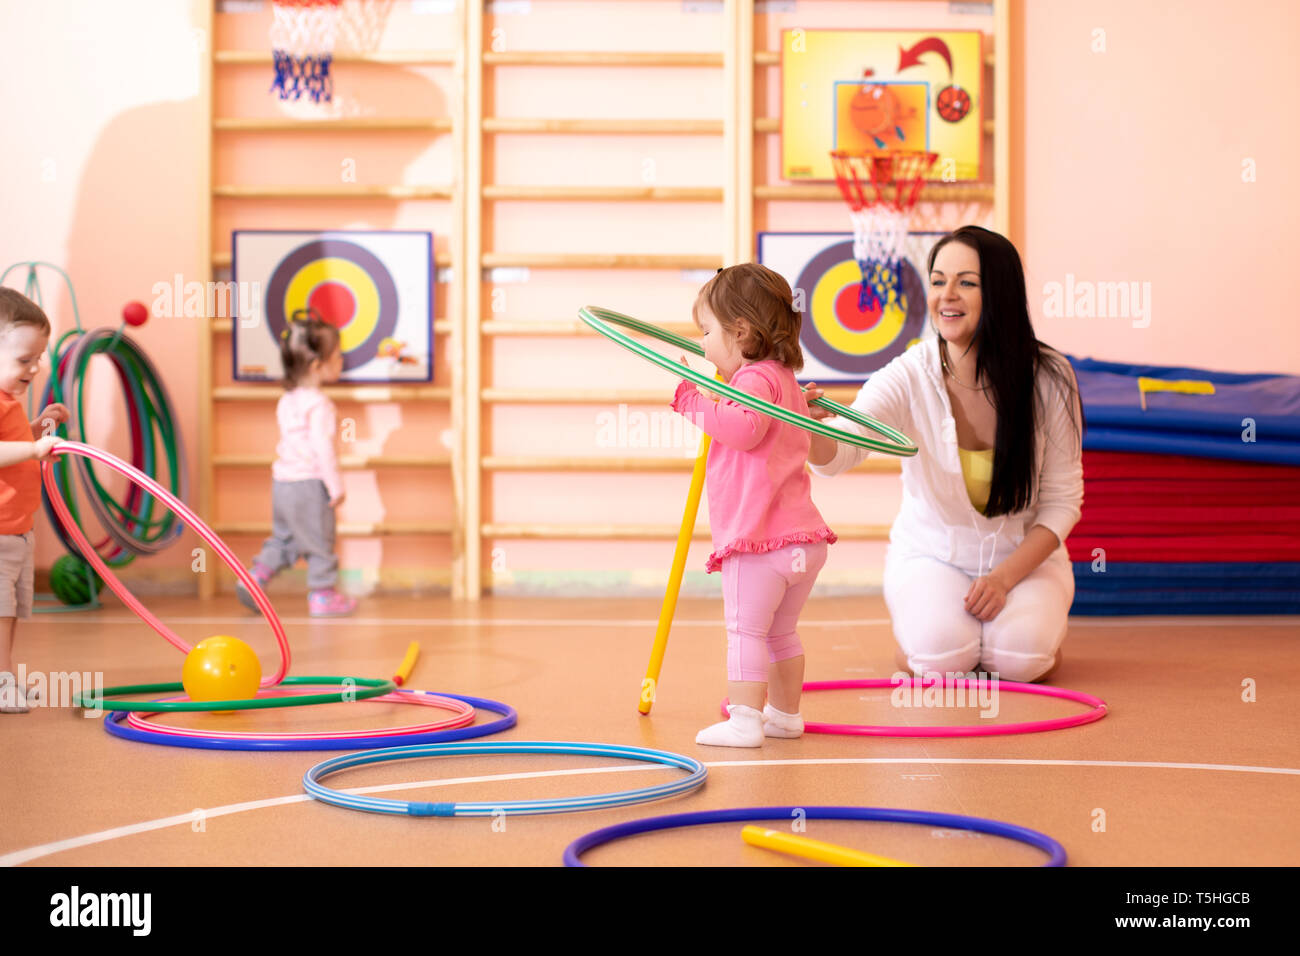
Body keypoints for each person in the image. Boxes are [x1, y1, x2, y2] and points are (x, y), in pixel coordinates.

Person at [805, 226, 1083, 683]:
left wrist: (1003, 580)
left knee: (1023, 661)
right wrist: (813, 426)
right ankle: (931, 645)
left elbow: (1062, 503)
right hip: (932, 555)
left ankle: (1017, 640)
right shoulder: (909, 375)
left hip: (1022, 558)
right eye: (937, 281)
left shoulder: (1050, 378)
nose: (946, 295)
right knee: (940, 660)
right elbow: (841, 450)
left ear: (1000, 293)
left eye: (966, 282)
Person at [670, 263, 837, 747]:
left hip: (759, 541)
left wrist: (693, 404)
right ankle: (785, 716)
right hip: (801, 542)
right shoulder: (782, 379)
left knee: (745, 630)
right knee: (781, 634)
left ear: (740, 331)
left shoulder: (751, 381)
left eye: (706, 331)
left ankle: (745, 719)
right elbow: (782, 427)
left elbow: (744, 430)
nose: (701, 343)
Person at [237, 313, 355, 617]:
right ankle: (323, 595)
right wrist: (335, 485)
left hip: (282, 483)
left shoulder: (287, 400)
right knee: (320, 541)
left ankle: (256, 577)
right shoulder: (320, 405)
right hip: (309, 484)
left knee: (284, 538)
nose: (342, 361)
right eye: (338, 356)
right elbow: (322, 447)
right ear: (317, 366)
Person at [0, 288, 70, 713]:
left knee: (9, 613)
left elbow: (12, 439)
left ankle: (4, 675)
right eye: (23, 360)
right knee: (0, 612)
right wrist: (32, 449)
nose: (34, 368)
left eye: (37, 358)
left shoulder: (9, 402)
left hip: (17, 528)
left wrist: (37, 425)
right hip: (1, 530)